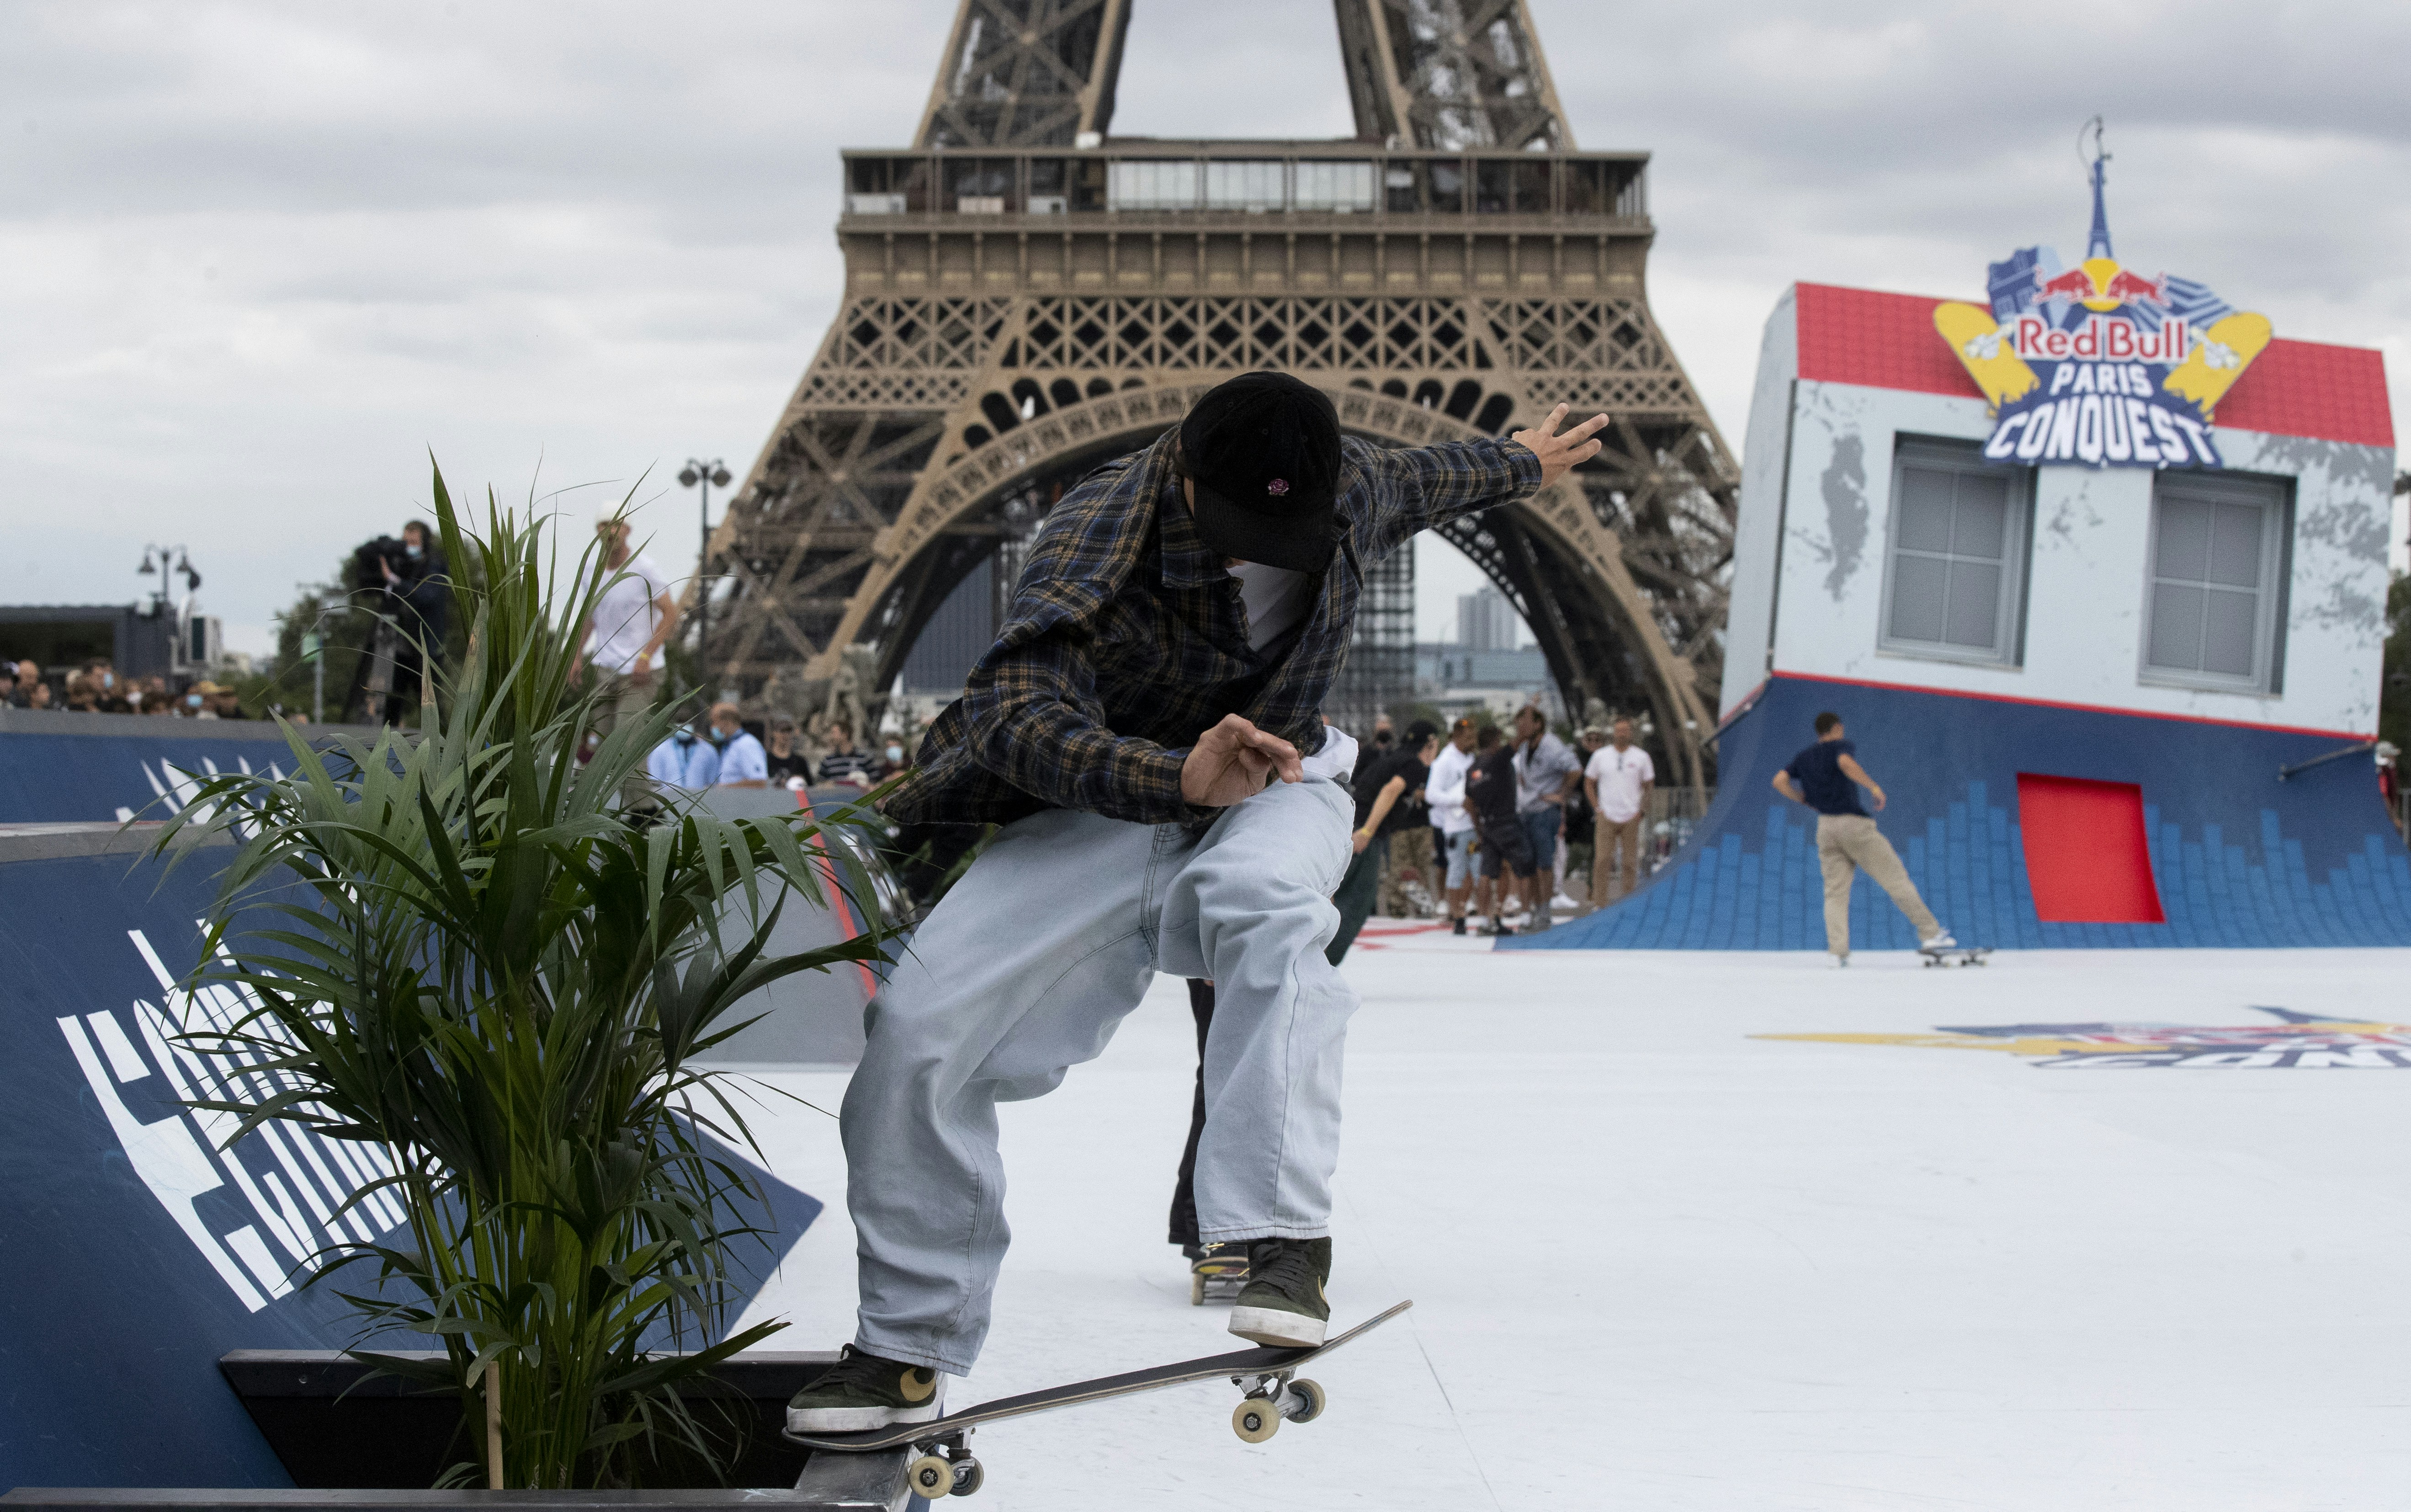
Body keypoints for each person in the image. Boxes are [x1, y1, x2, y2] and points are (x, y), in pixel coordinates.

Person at [781, 373, 1605, 1432]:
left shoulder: (1350, 485)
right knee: (916, 1031)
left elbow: (1427, 475)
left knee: (1262, 901)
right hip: (1110, 794)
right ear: (1180, 472)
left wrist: (1525, 460)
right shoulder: (1095, 527)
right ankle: (903, 1341)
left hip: (1280, 781)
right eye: (1232, 530)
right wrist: (1170, 776)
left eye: (1282, 532)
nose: (1256, 551)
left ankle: (1275, 1234)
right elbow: (1013, 703)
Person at [1772, 711, 1955, 966]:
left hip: (1825, 828)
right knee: (1895, 880)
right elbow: (1846, 763)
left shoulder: (1804, 757)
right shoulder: (1841, 746)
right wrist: (1874, 787)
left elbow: (1779, 780)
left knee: (1835, 894)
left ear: (1817, 732)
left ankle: (1838, 952)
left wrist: (1803, 799)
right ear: (1836, 728)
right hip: (1854, 825)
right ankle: (1931, 934)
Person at [570, 519, 680, 812]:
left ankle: (643, 809)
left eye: (617, 525)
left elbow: (670, 613)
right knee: (600, 744)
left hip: (640, 670)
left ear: (628, 531)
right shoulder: (593, 572)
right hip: (606, 669)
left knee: (627, 738)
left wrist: (647, 655)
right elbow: (590, 617)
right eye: (604, 526)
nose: (611, 532)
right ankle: (604, 807)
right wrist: (577, 656)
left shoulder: (644, 568)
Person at [1328, 717, 1438, 963]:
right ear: (1430, 743)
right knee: (1359, 898)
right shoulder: (1414, 764)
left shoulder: (1397, 757)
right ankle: (1323, 963)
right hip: (1364, 829)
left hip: (1352, 821)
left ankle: (1315, 959)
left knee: (1337, 892)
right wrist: (1367, 831)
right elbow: (1391, 790)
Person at [1508, 706, 1582, 932]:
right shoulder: (1523, 746)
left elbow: (1575, 769)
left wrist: (1561, 795)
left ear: (1538, 724)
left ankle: (1544, 911)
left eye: (1525, 723)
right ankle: (1530, 910)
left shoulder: (1552, 746)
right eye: (1518, 724)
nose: (1521, 728)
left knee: (1544, 864)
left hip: (1544, 810)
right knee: (1527, 865)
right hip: (1527, 809)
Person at [376, 520, 448, 725]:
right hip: (402, 642)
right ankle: (387, 744)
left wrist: (394, 580)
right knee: (393, 699)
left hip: (426, 644)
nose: (409, 545)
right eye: (405, 541)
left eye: (414, 541)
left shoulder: (435, 566)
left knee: (430, 702)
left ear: (425, 541)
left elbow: (427, 596)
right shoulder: (404, 565)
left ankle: (441, 746)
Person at [1464, 724, 1529, 936]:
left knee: (1486, 873)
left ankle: (1484, 921)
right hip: (1507, 822)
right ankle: (1527, 917)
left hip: (1488, 825)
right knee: (1523, 868)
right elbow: (1517, 742)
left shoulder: (1473, 770)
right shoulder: (1498, 761)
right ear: (1494, 742)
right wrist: (1527, 725)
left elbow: (1468, 803)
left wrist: (1479, 828)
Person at [1585, 717, 1654, 906]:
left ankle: (1628, 902)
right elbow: (1589, 782)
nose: (1622, 734)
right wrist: (1597, 807)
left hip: (1631, 816)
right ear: (1613, 732)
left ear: (1630, 733)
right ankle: (1600, 902)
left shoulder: (1642, 757)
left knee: (1630, 863)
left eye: (1625, 730)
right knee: (1602, 861)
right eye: (1619, 730)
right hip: (1606, 815)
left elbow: (1649, 785)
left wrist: (1641, 811)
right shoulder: (1600, 756)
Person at [1424, 716, 1483, 935]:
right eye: (1468, 737)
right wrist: (1459, 801)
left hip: (1473, 827)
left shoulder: (1470, 759)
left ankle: (1472, 910)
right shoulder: (1445, 761)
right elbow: (1431, 794)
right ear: (1456, 737)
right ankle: (1457, 915)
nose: (1472, 741)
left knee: (1477, 868)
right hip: (1455, 828)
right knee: (1457, 870)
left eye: (1474, 737)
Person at [647, 720, 721, 791]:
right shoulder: (660, 750)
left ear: (694, 725)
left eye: (687, 723)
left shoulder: (708, 750)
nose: (684, 726)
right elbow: (655, 782)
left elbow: (713, 782)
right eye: (680, 723)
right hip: (669, 799)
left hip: (698, 799)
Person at [708, 702, 770, 786]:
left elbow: (759, 782)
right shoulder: (729, 745)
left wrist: (724, 789)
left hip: (742, 799)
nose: (713, 727)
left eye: (715, 722)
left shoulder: (747, 744)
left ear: (727, 722)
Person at [764, 716, 810, 788]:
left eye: (788, 731)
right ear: (774, 733)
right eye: (782, 731)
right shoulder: (765, 760)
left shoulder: (800, 762)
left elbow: (811, 786)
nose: (785, 735)